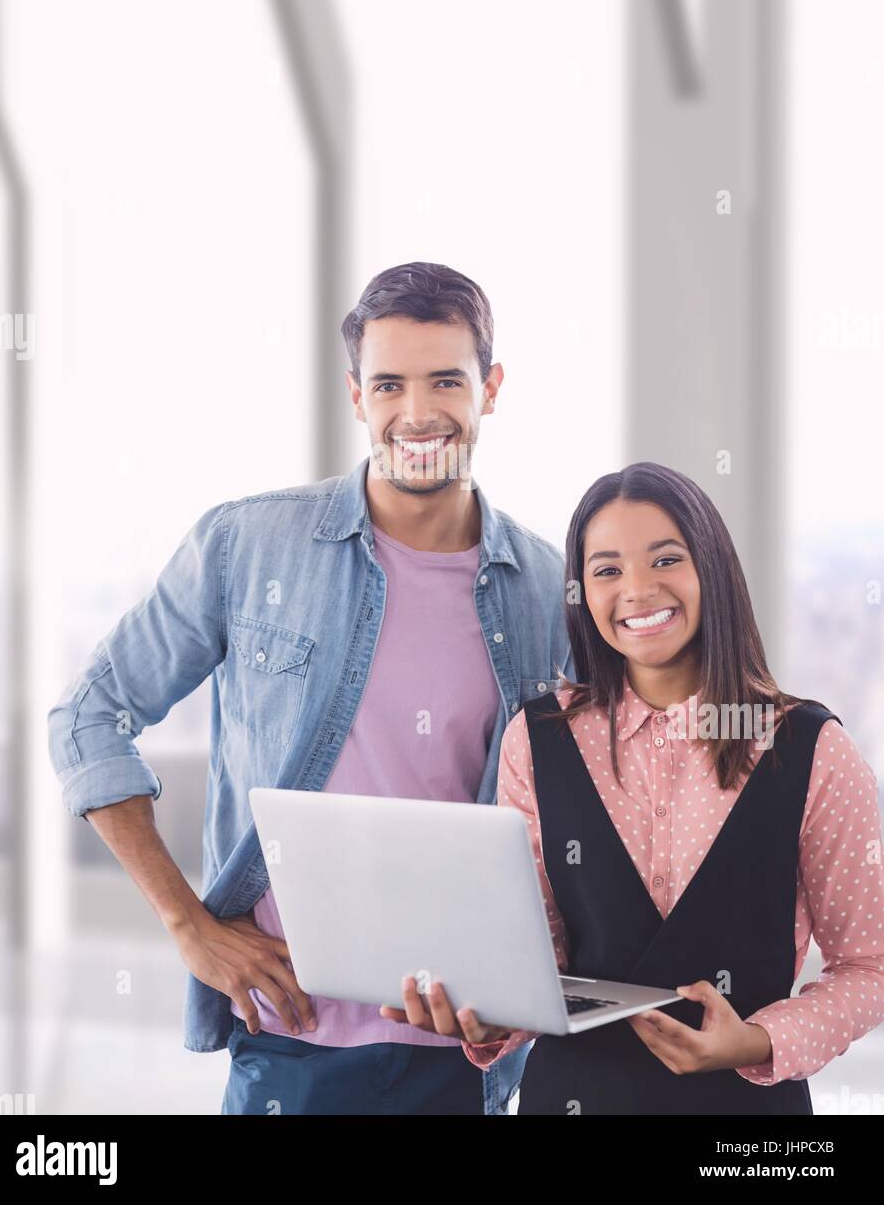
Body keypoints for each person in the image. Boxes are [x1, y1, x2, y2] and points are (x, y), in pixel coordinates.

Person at [47, 261, 572, 1115]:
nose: (417, 413)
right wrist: (191, 927)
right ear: (356, 395)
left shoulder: (547, 590)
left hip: (466, 1055)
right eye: (389, 383)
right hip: (291, 1039)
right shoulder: (248, 545)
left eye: (447, 379)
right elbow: (85, 718)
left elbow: (573, 822)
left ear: (492, 387)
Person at [382, 461, 884, 1114]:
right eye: (608, 570)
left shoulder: (813, 748)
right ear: (581, 593)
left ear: (713, 568)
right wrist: (491, 1021)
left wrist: (759, 1041)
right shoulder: (536, 741)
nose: (638, 591)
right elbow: (536, 955)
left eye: (665, 560)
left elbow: (870, 968)